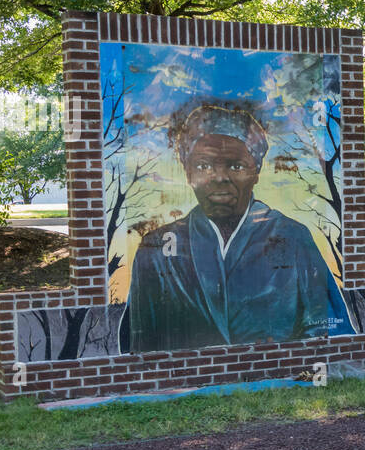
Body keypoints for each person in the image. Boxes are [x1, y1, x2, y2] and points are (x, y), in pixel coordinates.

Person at [126, 98, 343, 353]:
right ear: (187, 172)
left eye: (236, 166)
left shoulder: (292, 237)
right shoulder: (155, 249)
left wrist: (287, 361)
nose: (219, 178)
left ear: (256, 171)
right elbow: (142, 344)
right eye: (203, 166)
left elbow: (323, 327)